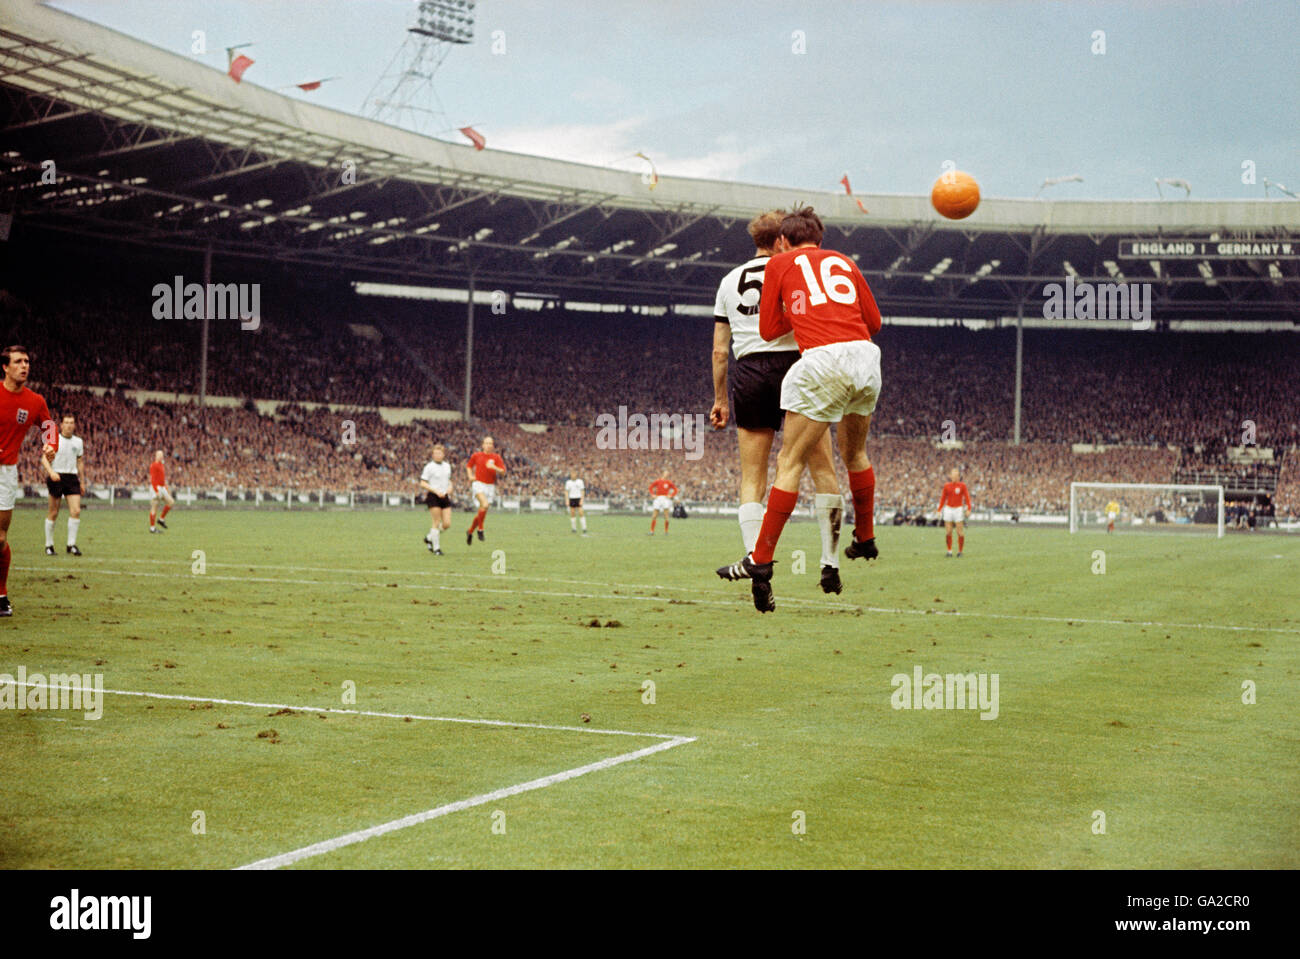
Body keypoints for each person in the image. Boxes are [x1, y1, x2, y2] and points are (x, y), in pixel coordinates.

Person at [716, 207, 883, 612]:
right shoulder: (845, 261)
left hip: (783, 366)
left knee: (775, 468)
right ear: (819, 239)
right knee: (846, 457)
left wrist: (720, 397)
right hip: (863, 357)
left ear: (782, 243)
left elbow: (744, 339)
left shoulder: (753, 272)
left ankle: (759, 558)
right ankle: (853, 546)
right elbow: (873, 321)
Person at [0, 345, 60, 617]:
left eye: (27, 361)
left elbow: (49, 426)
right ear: (5, 367)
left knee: (0, 538)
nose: (24, 365)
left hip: (6, 474)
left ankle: (1, 596)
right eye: (18, 361)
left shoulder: (35, 401)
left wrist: (51, 445)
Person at [45, 412, 85, 556]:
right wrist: (51, 472)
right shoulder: (54, 439)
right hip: (56, 475)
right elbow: (43, 459)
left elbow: (80, 462)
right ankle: (49, 545)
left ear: (74, 425)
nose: (68, 425)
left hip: (72, 477)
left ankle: (71, 544)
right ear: (61, 425)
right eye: (66, 422)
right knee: (53, 512)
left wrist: (82, 481)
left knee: (76, 511)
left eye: (71, 423)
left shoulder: (78, 442)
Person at [464, 436, 505, 545]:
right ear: (482, 445)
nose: (488, 445)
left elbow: (503, 472)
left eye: (490, 443)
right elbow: (469, 466)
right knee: (485, 505)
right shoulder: (476, 455)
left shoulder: (496, 457)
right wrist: (470, 476)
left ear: (493, 445)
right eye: (486, 443)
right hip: (478, 484)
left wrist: (494, 468)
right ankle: (480, 529)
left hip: (490, 486)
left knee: (482, 510)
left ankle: (470, 531)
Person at [418, 443, 453, 555]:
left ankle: (429, 537)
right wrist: (435, 490)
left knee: (447, 524)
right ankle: (436, 548)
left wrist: (450, 487)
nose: (438, 455)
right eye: (436, 453)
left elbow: (449, 480)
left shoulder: (447, 466)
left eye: (440, 453)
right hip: (433, 496)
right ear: (432, 455)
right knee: (436, 522)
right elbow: (423, 483)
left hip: (445, 496)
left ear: (443, 454)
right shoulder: (429, 467)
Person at [938, 468, 971, 557]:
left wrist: (969, 508)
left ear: (958, 477)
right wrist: (939, 509)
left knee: (959, 532)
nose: (954, 477)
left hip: (958, 509)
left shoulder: (962, 486)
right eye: (953, 475)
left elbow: (967, 497)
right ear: (950, 476)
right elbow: (943, 498)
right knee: (948, 532)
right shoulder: (947, 486)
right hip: (948, 509)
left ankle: (960, 551)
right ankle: (949, 551)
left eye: (956, 475)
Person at [148, 450, 174, 533]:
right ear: (156, 456)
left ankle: (161, 519)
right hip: (156, 488)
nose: (161, 456)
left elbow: (162, 479)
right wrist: (156, 490)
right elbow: (153, 479)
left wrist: (166, 488)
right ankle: (152, 528)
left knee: (171, 502)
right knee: (154, 506)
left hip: (162, 488)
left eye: (162, 455)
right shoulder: (153, 465)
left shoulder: (161, 465)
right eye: (160, 455)